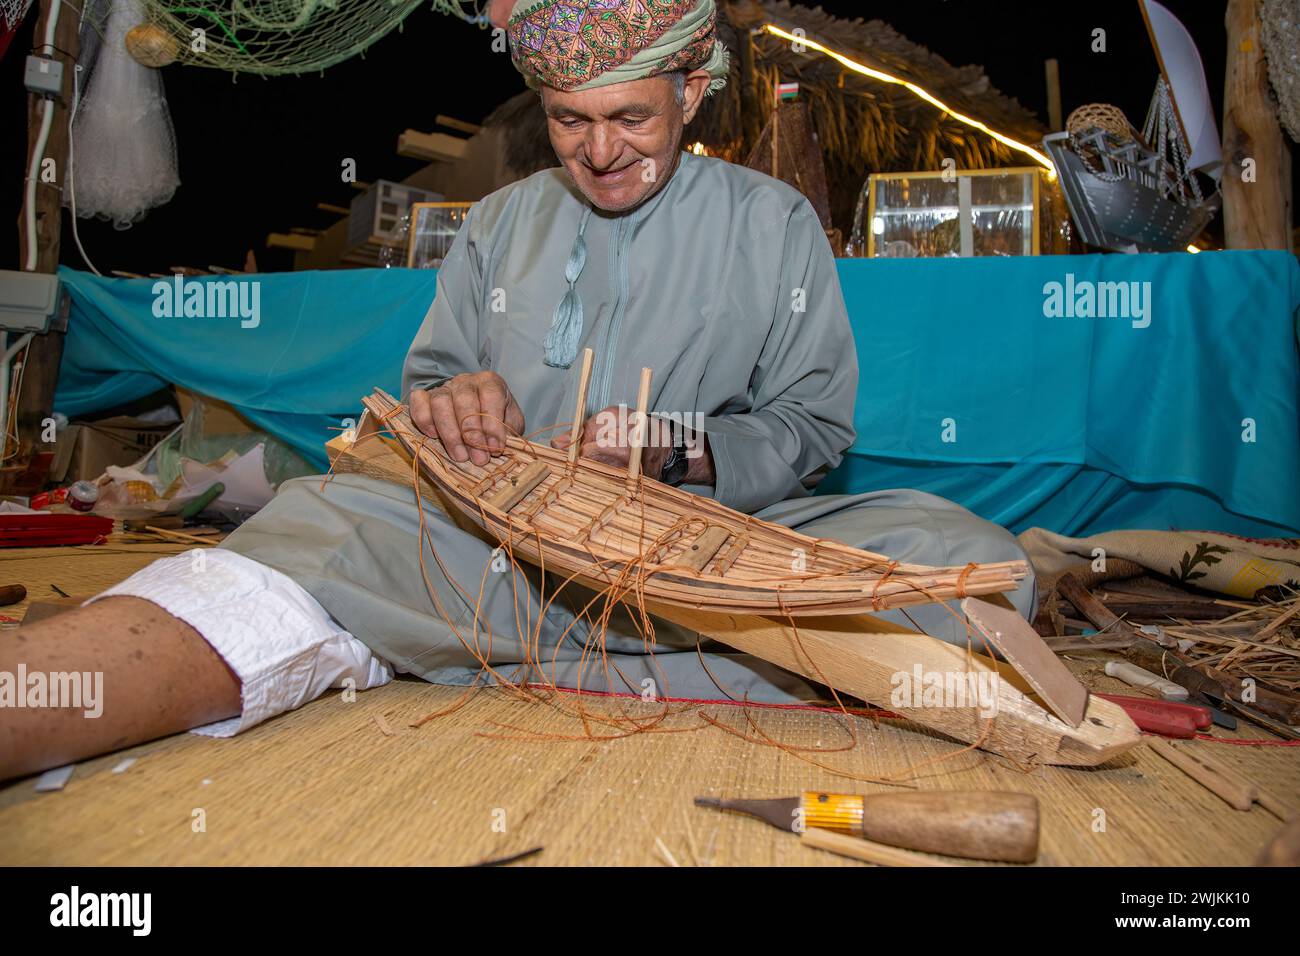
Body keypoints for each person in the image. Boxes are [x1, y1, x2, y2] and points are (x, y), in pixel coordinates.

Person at [0, 0, 1034, 781]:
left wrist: (676, 443)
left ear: (691, 88)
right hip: (505, 547)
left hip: (713, 549)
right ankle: (609, 660)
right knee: (321, 516)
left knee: (970, 561)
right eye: (569, 119)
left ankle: (476, 652)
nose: (598, 151)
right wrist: (454, 404)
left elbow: (811, 427)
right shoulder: (498, 223)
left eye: (629, 116)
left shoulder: (771, 225)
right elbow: (432, 385)